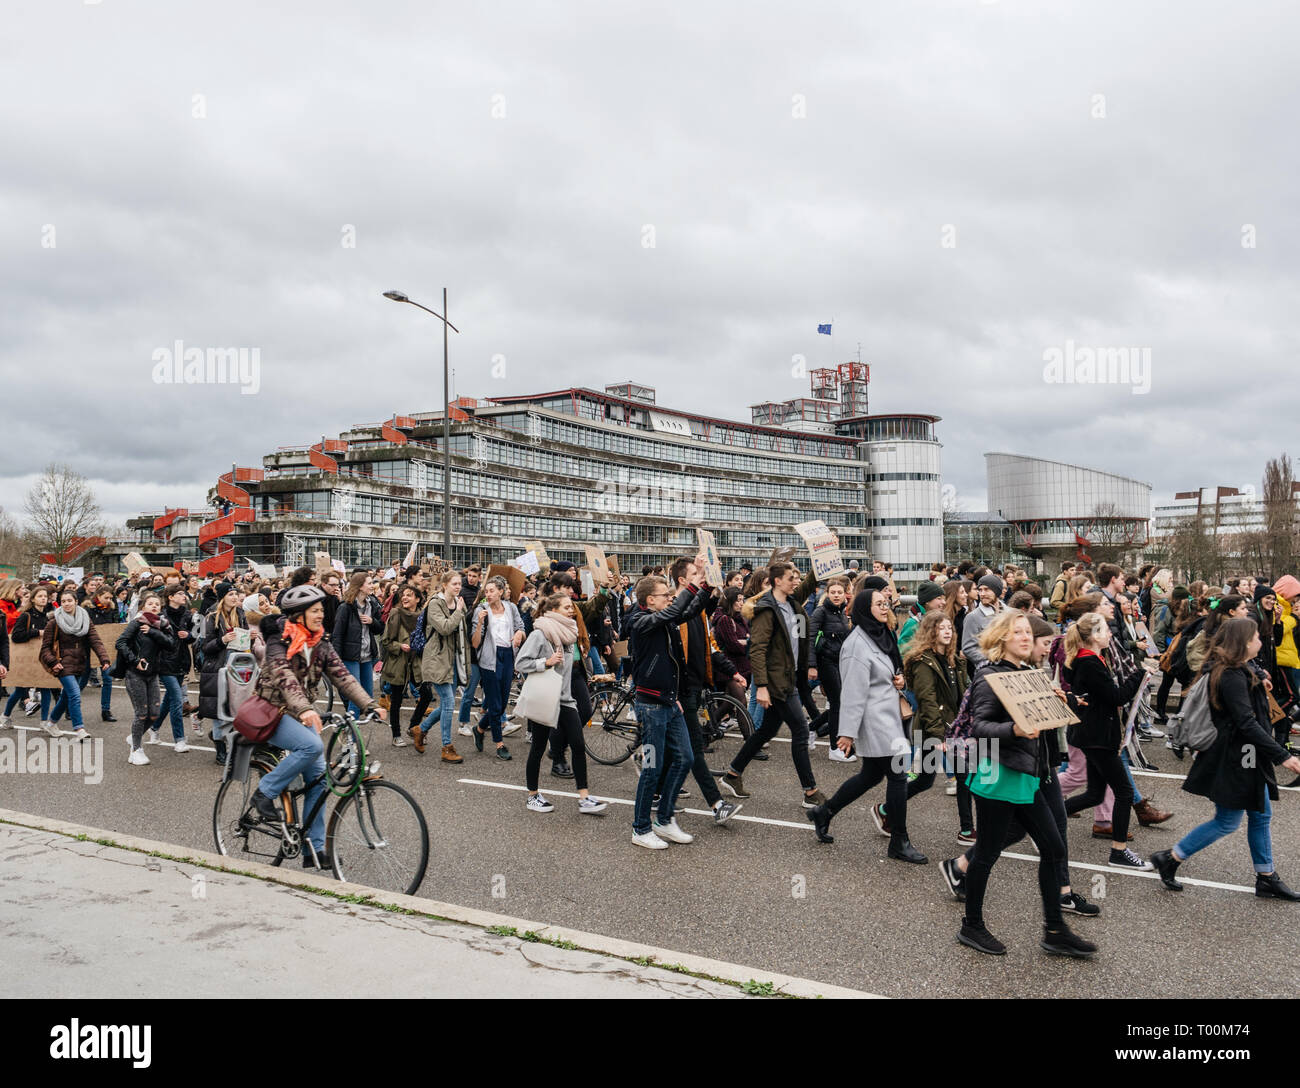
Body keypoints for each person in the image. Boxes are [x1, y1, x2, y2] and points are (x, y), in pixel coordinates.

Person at [953, 610, 1097, 957]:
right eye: (1017, 632)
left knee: (1053, 847)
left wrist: (1054, 706)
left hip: (1026, 775)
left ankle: (1055, 930)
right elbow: (980, 727)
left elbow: (1035, 722)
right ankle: (971, 925)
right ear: (1002, 638)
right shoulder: (989, 676)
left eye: (1026, 632)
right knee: (986, 853)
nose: (1025, 637)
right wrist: (1014, 730)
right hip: (997, 776)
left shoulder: (1027, 673)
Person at [1151, 617, 1300, 899]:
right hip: (1236, 757)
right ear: (1243, 642)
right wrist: (1282, 756)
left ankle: (1266, 876)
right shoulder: (1230, 674)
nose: (1260, 640)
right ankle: (1170, 858)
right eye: (1256, 636)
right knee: (1227, 821)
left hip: (1247, 754)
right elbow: (1245, 722)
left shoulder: (1240, 669)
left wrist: (1259, 684)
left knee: (1261, 814)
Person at [246, 585, 386, 872]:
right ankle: (264, 791)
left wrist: (369, 704)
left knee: (320, 779)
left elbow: (343, 676)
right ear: (298, 615)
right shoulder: (278, 639)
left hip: (299, 714)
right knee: (311, 747)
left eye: (322, 610)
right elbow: (285, 677)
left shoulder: (321, 642)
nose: (322, 615)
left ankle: (314, 848)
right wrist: (306, 708)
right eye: (315, 611)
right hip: (272, 710)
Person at [805, 585, 925, 862]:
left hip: (889, 715)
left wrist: (900, 680)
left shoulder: (882, 634)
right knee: (897, 774)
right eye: (879, 604)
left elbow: (892, 668)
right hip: (874, 720)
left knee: (870, 775)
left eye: (886, 603)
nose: (885, 607)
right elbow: (852, 692)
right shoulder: (856, 645)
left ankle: (824, 812)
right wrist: (846, 733)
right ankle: (899, 840)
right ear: (863, 609)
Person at [720, 561, 826, 809]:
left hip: (791, 677)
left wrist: (818, 557)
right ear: (778, 581)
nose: (795, 581)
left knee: (766, 731)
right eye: (791, 578)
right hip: (777, 681)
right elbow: (757, 650)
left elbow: (810, 582)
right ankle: (810, 792)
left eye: (796, 578)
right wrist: (764, 686)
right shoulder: (767, 610)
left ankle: (732, 775)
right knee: (800, 731)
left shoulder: (790, 603)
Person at [1061, 612, 1151, 868]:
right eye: (1105, 630)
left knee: (1094, 794)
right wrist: (1139, 675)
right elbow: (1115, 696)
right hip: (1098, 736)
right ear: (1093, 636)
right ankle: (1119, 852)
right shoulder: (1089, 662)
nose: (1110, 634)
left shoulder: (1090, 659)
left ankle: (1043, 817)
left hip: (1094, 734)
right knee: (1123, 793)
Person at [625, 568, 708, 849]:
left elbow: (688, 611)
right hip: (650, 707)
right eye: (666, 596)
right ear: (650, 600)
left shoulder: (665, 619)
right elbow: (673, 612)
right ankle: (641, 828)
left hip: (671, 703)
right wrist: (693, 585)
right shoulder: (639, 621)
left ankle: (664, 820)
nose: (671, 600)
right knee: (652, 767)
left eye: (672, 595)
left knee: (685, 757)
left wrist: (706, 587)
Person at [518, 593, 608, 815]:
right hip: (545, 697)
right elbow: (520, 662)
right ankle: (532, 795)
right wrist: (545, 662)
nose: (571, 610)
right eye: (567, 607)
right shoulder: (541, 633)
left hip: (566, 699)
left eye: (572, 607)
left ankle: (584, 798)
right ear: (554, 610)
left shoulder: (570, 633)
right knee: (538, 747)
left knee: (577, 745)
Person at [904, 610, 971, 840]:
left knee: (936, 779)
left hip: (954, 728)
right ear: (930, 632)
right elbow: (927, 700)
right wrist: (939, 736)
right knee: (941, 778)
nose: (947, 632)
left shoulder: (955, 661)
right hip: (932, 729)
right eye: (941, 628)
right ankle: (966, 830)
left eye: (949, 628)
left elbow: (965, 694)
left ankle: (886, 809)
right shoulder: (923, 662)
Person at [412, 569, 470, 763]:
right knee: (449, 702)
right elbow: (444, 628)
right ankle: (447, 747)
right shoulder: (436, 604)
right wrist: (460, 612)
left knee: (447, 703)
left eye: (459, 584)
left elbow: (462, 630)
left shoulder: (458, 603)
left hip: (453, 660)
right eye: (454, 584)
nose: (458, 587)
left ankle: (421, 729)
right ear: (444, 585)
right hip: (436, 659)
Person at [198, 583, 259, 766]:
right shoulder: (211, 617)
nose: (235, 597)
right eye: (231, 594)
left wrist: (250, 637)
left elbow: (244, 642)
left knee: (238, 710)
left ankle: (234, 746)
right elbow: (204, 647)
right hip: (219, 668)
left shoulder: (240, 614)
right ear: (223, 597)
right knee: (220, 711)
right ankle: (221, 751)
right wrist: (222, 640)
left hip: (239, 668)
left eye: (236, 594)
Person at [41, 585, 110, 741]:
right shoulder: (54, 622)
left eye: (69, 601)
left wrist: (104, 659)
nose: (66, 604)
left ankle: (51, 722)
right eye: (63, 601)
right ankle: (79, 729)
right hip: (62, 664)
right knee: (74, 694)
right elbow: (45, 648)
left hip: (81, 663)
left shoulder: (85, 619)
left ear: (76, 602)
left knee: (66, 696)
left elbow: (95, 640)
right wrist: (53, 662)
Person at [117, 592, 178, 765]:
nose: (154, 606)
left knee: (155, 714)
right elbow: (120, 643)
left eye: (157, 604)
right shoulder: (137, 623)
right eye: (150, 603)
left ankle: (134, 738)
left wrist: (152, 632)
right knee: (142, 713)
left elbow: (171, 645)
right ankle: (136, 750)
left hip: (153, 674)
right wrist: (134, 661)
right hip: (135, 674)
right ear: (143, 606)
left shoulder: (162, 625)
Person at [469, 575, 524, 760]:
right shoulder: (481, 609)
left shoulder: (511, 607)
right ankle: (499, 744)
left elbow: (521, 627)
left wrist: (519, 634)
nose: (489, 594)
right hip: (489, 658)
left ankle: (479, 729)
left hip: (508, 655)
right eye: (486, 591)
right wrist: (479, 624)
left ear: (501, 591)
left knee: (501, 703)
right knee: (494, 703)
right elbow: (475, 643)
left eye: (492, 590)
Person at [808, 576, 851, 760]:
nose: (836, 595)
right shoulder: (820, 612)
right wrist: (811, 665)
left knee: (839, 703)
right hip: (826, 662)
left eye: (839, 592)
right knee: (838, 703)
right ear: (827, 593)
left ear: (844, 595)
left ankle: (810, 729)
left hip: (840, 663)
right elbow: (809, 638)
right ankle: (834, 748)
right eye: (832, 592)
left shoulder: (843, 613)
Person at [2, 586, 56, 732]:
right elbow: (16, 636)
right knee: (20, 689)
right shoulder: (26, 616)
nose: (43, 598)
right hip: (26, 658)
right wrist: (37, 632)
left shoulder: (47, 616)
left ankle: (44, 721)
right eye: (40, 596)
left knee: (45, 687)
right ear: (32, 599)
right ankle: (5, 715)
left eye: (45, 596)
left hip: (41, 657)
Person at [150, 585, 195, 752]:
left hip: (181, 661)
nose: (184, 596)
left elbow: (194, 636)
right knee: (177, 698)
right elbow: (154, 638)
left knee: (169, 699)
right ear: (170, 597)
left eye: (184, 593)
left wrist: (188, 635)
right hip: (164, 661)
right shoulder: (161, 615)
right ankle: (179, 739)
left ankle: (153, 728)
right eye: (180, 593)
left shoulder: (187, 614)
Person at [332, 572, 381, 716]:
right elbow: (337, 635)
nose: (372, 586)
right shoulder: (345, 607)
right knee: (356, 695)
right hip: (350, 656)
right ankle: (352, 735)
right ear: (360, 586)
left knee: (367, 696)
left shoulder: (372, 604)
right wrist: (337, 660)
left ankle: (352, 729)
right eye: (370, 583)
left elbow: (380, 629)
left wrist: (373, 622)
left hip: (366, 655)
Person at [379, 585, 421, 746]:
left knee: (426, 695)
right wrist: (399, 646)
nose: (404, 597)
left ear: (417, 599)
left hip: (416, 664)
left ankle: (413, 728)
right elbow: (386, 641)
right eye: (403, 595)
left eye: (409, 595)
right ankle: (396, 735)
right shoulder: (396, 614)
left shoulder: (421, 616)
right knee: (396, 701)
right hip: (399, 663)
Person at [960, 574, 1004, 679]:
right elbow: (968, 648)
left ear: (996, 591)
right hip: (988, 673)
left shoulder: (1009, 613)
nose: (982, 594)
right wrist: (994, 659)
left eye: (987, 590)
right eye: (980, 590)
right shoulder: (973, 617)